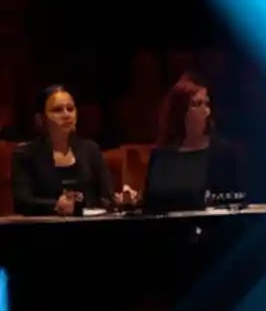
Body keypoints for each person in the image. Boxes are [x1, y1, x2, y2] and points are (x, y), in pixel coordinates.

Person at [11, 85, 134, 216]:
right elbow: (22, 203)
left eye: (70, 109)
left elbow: (106, 197)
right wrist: (56, 206)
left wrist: (122, 200)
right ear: (41, 119)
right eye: (57, 110)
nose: (66, 115)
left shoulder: (90, 149)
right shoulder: (26, 154)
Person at [144, 73, 243, 207]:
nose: (206, 111)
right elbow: (149, 204)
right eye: (197, 104)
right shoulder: (160, 154)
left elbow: (231, 206)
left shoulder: (222, 153)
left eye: (206, 104)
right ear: (179, 112)